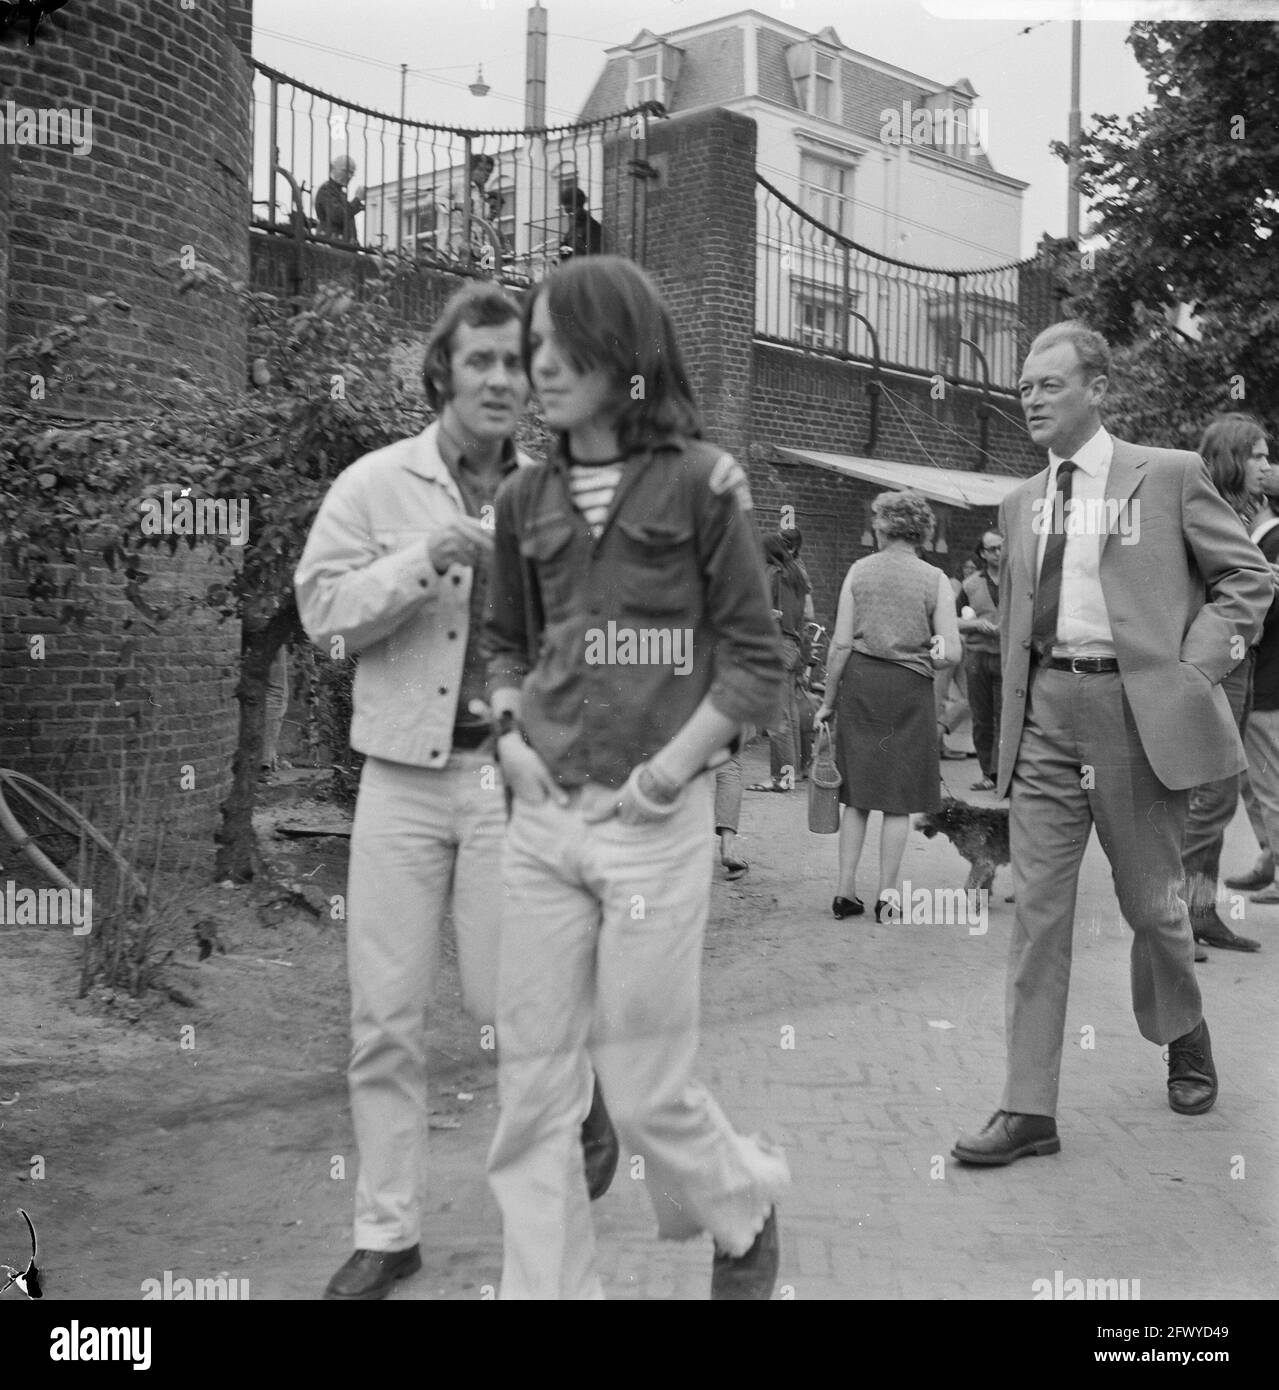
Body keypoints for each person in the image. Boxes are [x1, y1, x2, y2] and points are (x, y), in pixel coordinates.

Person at [295, 281, 616, 1301]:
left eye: (515, 363)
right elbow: (324, 621)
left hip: (505, 781)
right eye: (477, 361)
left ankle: (580, 1111)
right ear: (443, 373)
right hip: (397, 779)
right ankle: (387, 1230)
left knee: (502, 1001)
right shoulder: (374, 484)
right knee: (384, 1015)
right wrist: (420, 558)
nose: (497, 379)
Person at [485, 254, 790, 1300]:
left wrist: (671, 771)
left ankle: (741, 1205)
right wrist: (507, 738)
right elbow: (502, 647)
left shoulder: (702, 484)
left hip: (650, 824)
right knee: (530, 1094)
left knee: (647, 1087)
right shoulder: (522, 499)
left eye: (560, 344)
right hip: (541, 821)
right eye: (531, 348)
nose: (540, 365)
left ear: (623, 355)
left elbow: (755, 658)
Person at [951, 322, 1271, 1168]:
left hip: (1133, 715)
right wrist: (1009, 732)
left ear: (1096, 389)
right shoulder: (1018, 502)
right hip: (1047, 718)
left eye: (1048, 384)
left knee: (1149, 905)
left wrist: (1193, 670)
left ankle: (1184, 1031)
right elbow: (1020, 619)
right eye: (1022, 387)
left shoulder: (1164, 474)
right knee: (1037, 915)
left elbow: (1249, 576)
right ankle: (1028, 1109)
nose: (1029, 398)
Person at [814, 490, 961, 923]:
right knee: (897, 800)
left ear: (882, 527)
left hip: (861, 683)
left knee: (856, 795)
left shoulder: (858, 571)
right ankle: (888, 895)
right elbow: (950, 651)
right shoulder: (934, 579)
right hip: (909, 688)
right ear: (921, 532)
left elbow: (840, 644)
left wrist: (827, 701)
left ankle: (844, 891)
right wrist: (933, 647)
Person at [1178, 414, 1270, 954]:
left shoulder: (1244, 514)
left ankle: (1201, 911)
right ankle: (1175, 923)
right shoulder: (1207, 510)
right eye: (1257, 455)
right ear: (1233, 458)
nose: (1266, 465)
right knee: (1209, 802)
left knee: (1220, 800)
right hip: (1218, 670)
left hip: (1243, 666)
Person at [1227, 432, 1279, 907]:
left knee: (1269, 782)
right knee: (1254, 782)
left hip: (1267, 686)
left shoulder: (1272, 545)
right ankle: (1269, 859)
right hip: (1260, 684)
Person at [749, 535, 810, 793]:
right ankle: (789, 774)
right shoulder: (795, 575)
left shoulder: (773, 574)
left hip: (775, 645)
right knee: (785, 714)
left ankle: (781, 779)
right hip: (792, 646)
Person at [958, 531, 1003, 792]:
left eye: (1001, 548)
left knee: (1004, 717)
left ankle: (1001, 774)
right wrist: (976, 623)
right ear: (983, 553)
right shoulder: (971, 584)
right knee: (982, 718)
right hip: (977, 658)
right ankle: (988, 773)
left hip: (1007, 657)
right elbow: (951, 619)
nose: (998, 553)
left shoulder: (1018, 580)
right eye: (992, 549)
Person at [315, 154, 365, 244]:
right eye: (345, 171)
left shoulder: (339, 192)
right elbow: (338, 216)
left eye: (352, 173)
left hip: (340, 246)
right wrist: (357, 200)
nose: (349, 176)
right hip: (331, 245)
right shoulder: (326, 189)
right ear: (333, 168)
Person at [558, 182, 603, 259]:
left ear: (578, 207)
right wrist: (563, 249)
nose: (568, 215)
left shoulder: (591, 227)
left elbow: (594, 255)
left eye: (570, 211)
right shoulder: (571, 231)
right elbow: (566, 257)